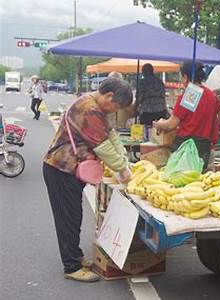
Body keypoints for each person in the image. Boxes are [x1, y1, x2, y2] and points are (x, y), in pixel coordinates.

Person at [43, 78, 133, 282]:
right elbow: (103, 147)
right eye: (116, 106)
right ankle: (71, 266)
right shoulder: (90, 109)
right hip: (60, 168)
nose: (114, 111)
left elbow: (111, 136)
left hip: (68, 170)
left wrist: (124, 160)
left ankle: (75, 256)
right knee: (68, 218)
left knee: (74, 215)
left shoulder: (94, 107)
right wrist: (121, 169)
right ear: (109, 96)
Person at [153, 61, 220, 171]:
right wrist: (212, 124)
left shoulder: (190, 95)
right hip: (206, 148)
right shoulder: (211, 95)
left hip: (187, 150)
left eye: (181, 76)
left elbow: (171, 125)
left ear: (185, 76)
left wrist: (158, 124)